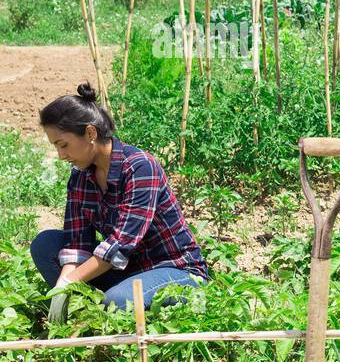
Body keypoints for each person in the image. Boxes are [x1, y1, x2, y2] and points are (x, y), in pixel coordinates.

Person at [32, 84, 209, 323]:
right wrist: (63, 283)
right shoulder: (80, 176)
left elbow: (120, 245)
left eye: (63, 144)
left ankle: (109, 310)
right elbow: (77, 241)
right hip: (126, 271)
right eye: (56, 147)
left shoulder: (140, 167)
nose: (61, 155)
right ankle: (87, 315)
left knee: (117, 301)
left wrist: (69, 282)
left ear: (91, 133)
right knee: (45, 245)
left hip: (174, 269)